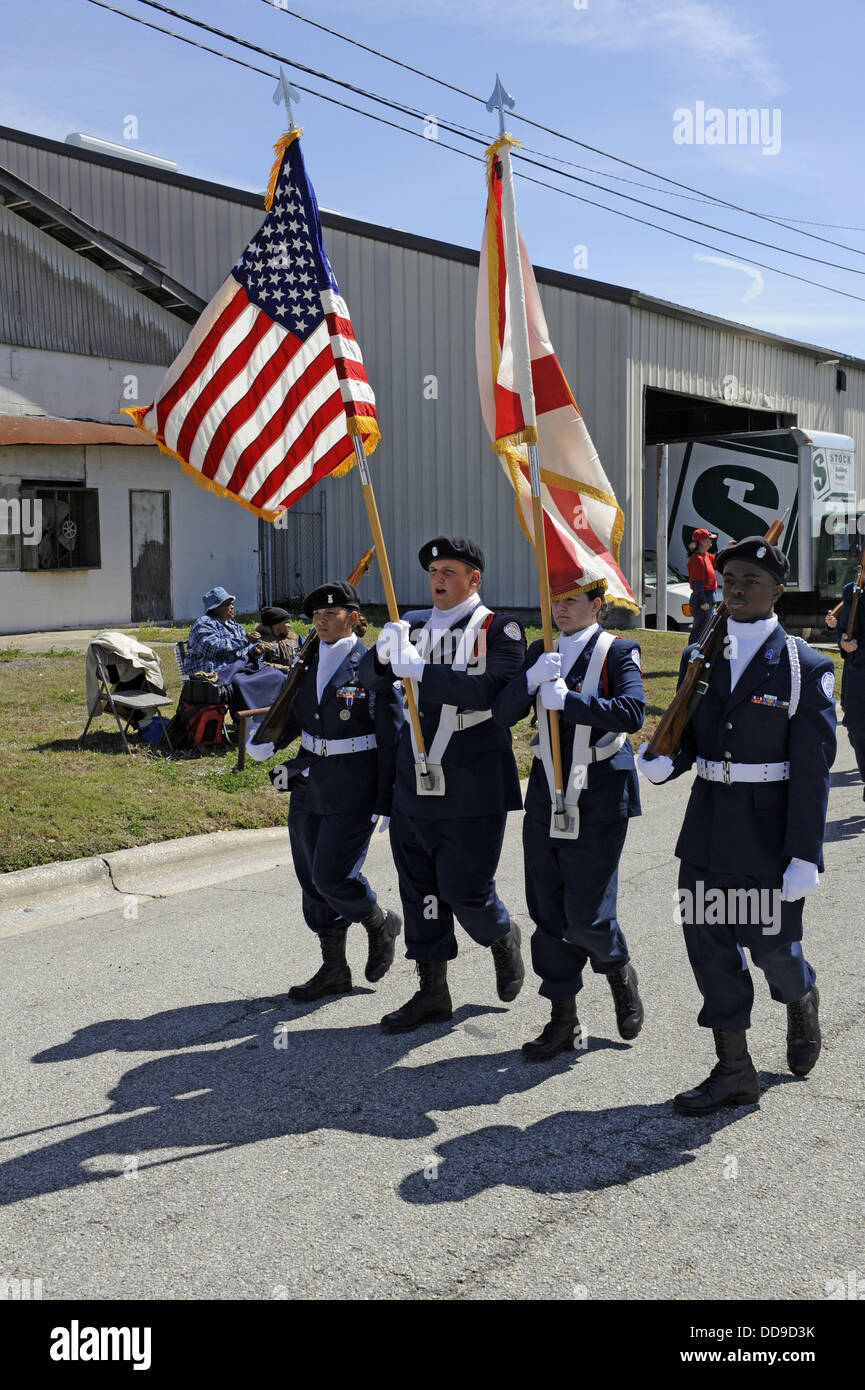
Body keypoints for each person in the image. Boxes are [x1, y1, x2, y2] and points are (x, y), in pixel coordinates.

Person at [637, 537, 837, 1114]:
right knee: (709, 944)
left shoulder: (806, 666)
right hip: (707, 825)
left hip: (769, 833)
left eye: (752, 579)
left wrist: (805, 854)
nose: (738, 588)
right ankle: (734, 1069)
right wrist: (662, 763)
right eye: (730, 579)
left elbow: (812, 771)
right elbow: (689, 735)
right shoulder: (701, 654)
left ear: (778, 590)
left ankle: (800, 995)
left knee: (771, 944)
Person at [358, 536, 527, 1032]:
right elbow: (368, 677)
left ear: (474, 578)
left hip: (473, 781)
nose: (438, 579)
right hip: (415, 779)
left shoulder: (501, 628)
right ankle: (432, 991)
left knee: (465, 890)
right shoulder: (409, 625)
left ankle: (501, 936)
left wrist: (420, 671)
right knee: (421, 891)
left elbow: (492, 692)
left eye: (450, 571)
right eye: (433, 571)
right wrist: (383, 655)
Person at [493, 575, 646, 1059]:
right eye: (555, 600)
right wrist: (530, 680)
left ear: (596, 605)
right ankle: (562, 1018)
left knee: (587, 913)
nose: (560, 608)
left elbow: (633, 711)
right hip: (546, 788)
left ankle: (617, 968)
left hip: (600, 787)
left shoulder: (619, 649)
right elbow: (502, 713)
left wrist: (572, 702)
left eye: (571, 601)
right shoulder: (543, 647)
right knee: (547, 909)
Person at [270, 581, 404, 1000]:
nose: (322, 621)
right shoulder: (307, 661)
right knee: (311, 876)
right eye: (316, 615)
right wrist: (268, 740)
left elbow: (392, 734)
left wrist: (386, 797)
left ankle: (379, 922)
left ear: (353, 618)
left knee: (333, 875)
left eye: (332, 614)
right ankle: (334, 969)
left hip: (354, 780)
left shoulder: (371, 667)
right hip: (310, 777)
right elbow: (295, 712)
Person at [186, 587, 260, 675]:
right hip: (213, 672)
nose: (232, 606)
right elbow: (211, 648)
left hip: (235, 668)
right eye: (227, 604)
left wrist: (256, 649)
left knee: (274, 674)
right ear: (215, 608)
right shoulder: (204, 623)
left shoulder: (236, 626)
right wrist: (245, 640)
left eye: (232, 603)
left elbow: (242, 652)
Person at [836, 579, 865, 799]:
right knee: (856, 727)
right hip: (859, 669)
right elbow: (844, 628)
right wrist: (843, 642)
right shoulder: (853, 590)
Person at [686, 528, 719, 642]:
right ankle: (692, 653)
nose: (711, 541)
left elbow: (717, 558)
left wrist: (729, 548)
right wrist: (702, 601)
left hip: (709, 596)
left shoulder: (706, 555)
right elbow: (697, 583)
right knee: (699, 630)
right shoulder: (697, 559)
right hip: (704, 597)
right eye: (709, 539)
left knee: (706, 629)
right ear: (703, 541)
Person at [251, 606, 301, 671]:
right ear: (276, 624)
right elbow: (258, 663)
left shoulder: (293, 639)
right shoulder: (261, 642)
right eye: (286, 622)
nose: (289, 625)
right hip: (274, 678)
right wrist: (282, 668)